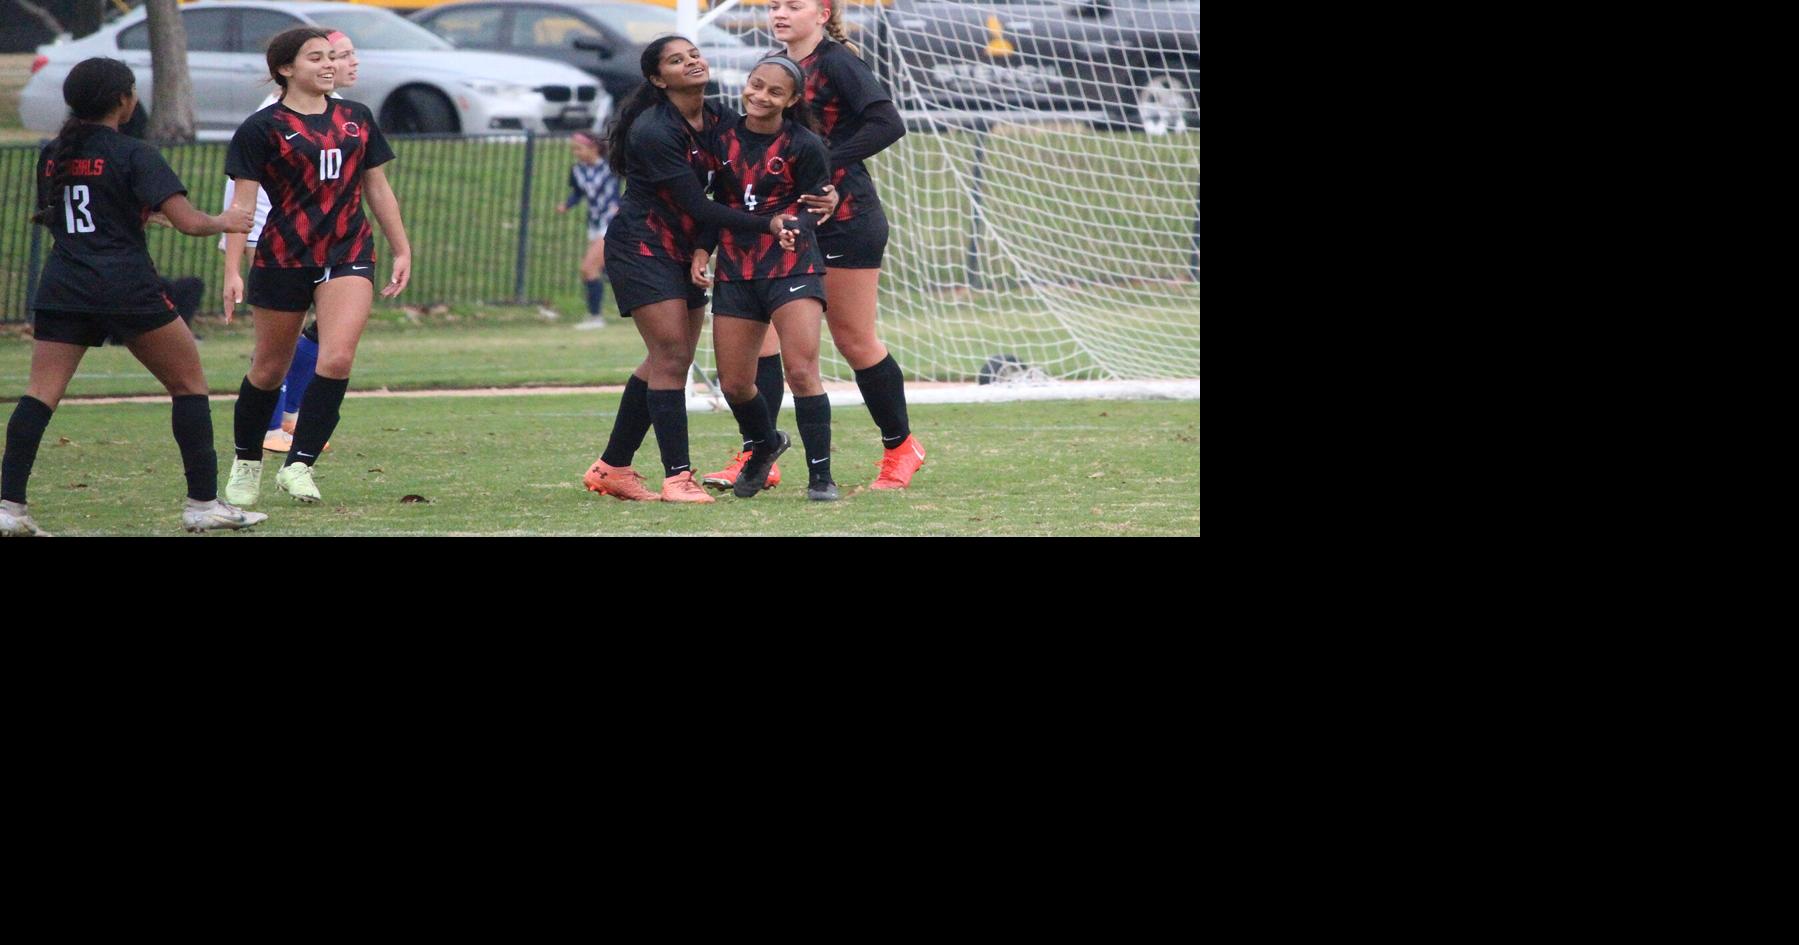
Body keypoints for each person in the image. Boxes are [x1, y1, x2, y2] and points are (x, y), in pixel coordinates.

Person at [1, 57, 261, 537]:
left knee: (39, 394)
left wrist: (138, 216)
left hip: (64, 285)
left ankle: (9, 508)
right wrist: (225, 221)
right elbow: (188, 222)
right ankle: (203, 505)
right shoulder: (134, 152)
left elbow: (80, 212)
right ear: (124, 100)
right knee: (188, 385)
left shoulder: (54, 152)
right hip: (124, 285)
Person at [704, 0, 925, 492]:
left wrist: (825, 164)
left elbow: (888, 122)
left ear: (823, 14)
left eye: (793, 5)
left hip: (845, 220)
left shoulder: (837, 61)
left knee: (853, 339)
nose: (779, 13)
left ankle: (900, 448)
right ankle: (760, 454)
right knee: (762, 339)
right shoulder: (776, 66)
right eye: (773, 5)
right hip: (786, 223)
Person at [579, 35, 803, 505]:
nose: (692, 62)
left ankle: (612, 467)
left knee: (665, 358)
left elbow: (726, 192)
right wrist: (768, 223)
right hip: (643, 246)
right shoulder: (655, 131)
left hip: (685, 250)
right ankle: (677, 478)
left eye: (694, 54)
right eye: (677, 60)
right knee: (672, 357)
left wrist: (704, 250)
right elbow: (696, 204)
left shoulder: (720, 117)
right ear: (659, 79)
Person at [219, 27, 411, 508]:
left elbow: (378, 188)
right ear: (285, 69)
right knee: (268, 368)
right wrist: (232, 269)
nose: (328, 65)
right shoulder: (261, 128)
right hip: (284, 255)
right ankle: (246, 462)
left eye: (332, 57)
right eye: (315, 58)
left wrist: (401, 248)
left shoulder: (356, 118)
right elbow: (241, 209)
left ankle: (299, 464)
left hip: (349, 251)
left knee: (338, 358)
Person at [690, 56, 836, 500]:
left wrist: (798, 227)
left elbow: (816, 204)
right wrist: (702, 248)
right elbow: (714, 203)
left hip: (792, 266)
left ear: (791, 100)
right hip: (737, 268)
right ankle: (765, 446)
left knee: (801, 370)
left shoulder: (805, 144)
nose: (760, 96)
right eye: (756, 85)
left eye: (774, 91)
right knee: (735, 383)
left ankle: (821, 478)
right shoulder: (720, 138)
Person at [221, 29, 359, 454]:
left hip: (329, 244)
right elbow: (241, 197)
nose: (344, 63)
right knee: (274, 351)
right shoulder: (272, 117)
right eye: (335, 55)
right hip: (271, 235)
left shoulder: (341, 114)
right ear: (290, 68)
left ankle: (290, 418)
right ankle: (270, 427)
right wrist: (233, 264)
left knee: (326, 340)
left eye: (344, 56)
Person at [556, 130, 622, 330]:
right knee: (598, 271)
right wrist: (567, 205)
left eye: (579, 148)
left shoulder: (611, 167)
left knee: (588, 268)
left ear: (593, 147)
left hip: (610, 222)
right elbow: (578, 193)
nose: (576, 152)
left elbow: (629, 187)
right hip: (594, 224)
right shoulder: (577, 170)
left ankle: (595, 318)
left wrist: (621, 205)